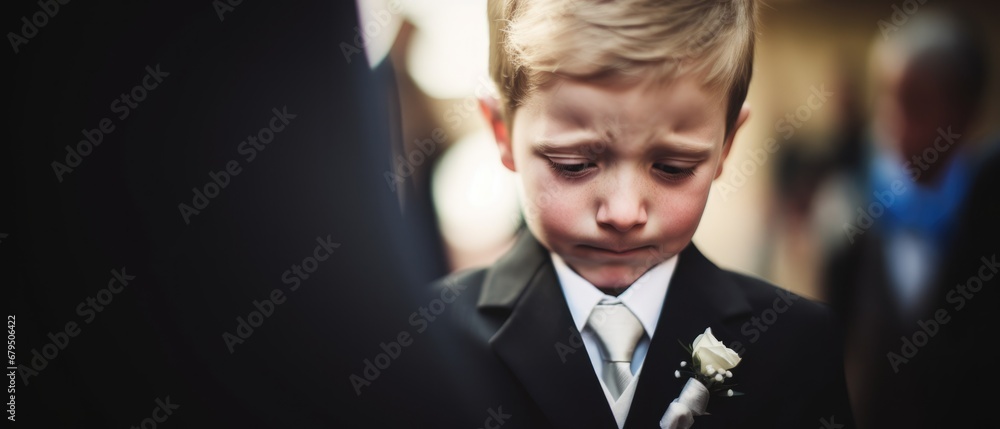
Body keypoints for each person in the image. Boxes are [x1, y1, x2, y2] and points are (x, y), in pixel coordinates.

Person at [397, 1, 855, 427]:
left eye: (672, 168)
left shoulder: (797, 345)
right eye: (573, 165)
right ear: (502, 130)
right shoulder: (425, 342)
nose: (623, 212)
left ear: (726, 145)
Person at [822, 9, 999, 429]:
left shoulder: (988, 217)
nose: (894, 124)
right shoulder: (852, 221)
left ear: (966, 114)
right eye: (886, 99)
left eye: (916, 104)